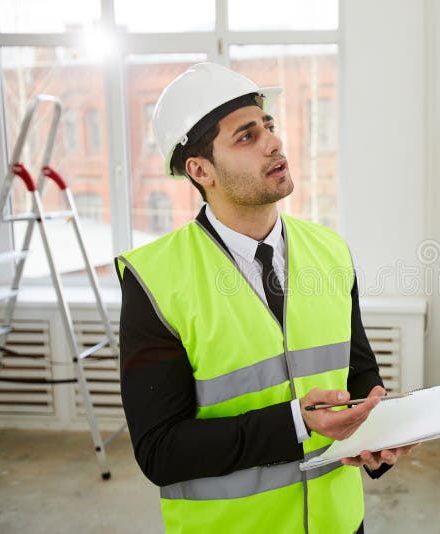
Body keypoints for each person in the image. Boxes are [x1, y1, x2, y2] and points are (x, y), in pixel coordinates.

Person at [115, 62, 415, 534]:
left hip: (339, 523)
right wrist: (299, 423)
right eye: (246, 136)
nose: (273, 143)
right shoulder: (154, 280)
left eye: (269, 127)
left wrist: (378, 431)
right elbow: (161, 451)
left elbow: (357, 369)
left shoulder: (331, 250)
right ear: (200, 170)